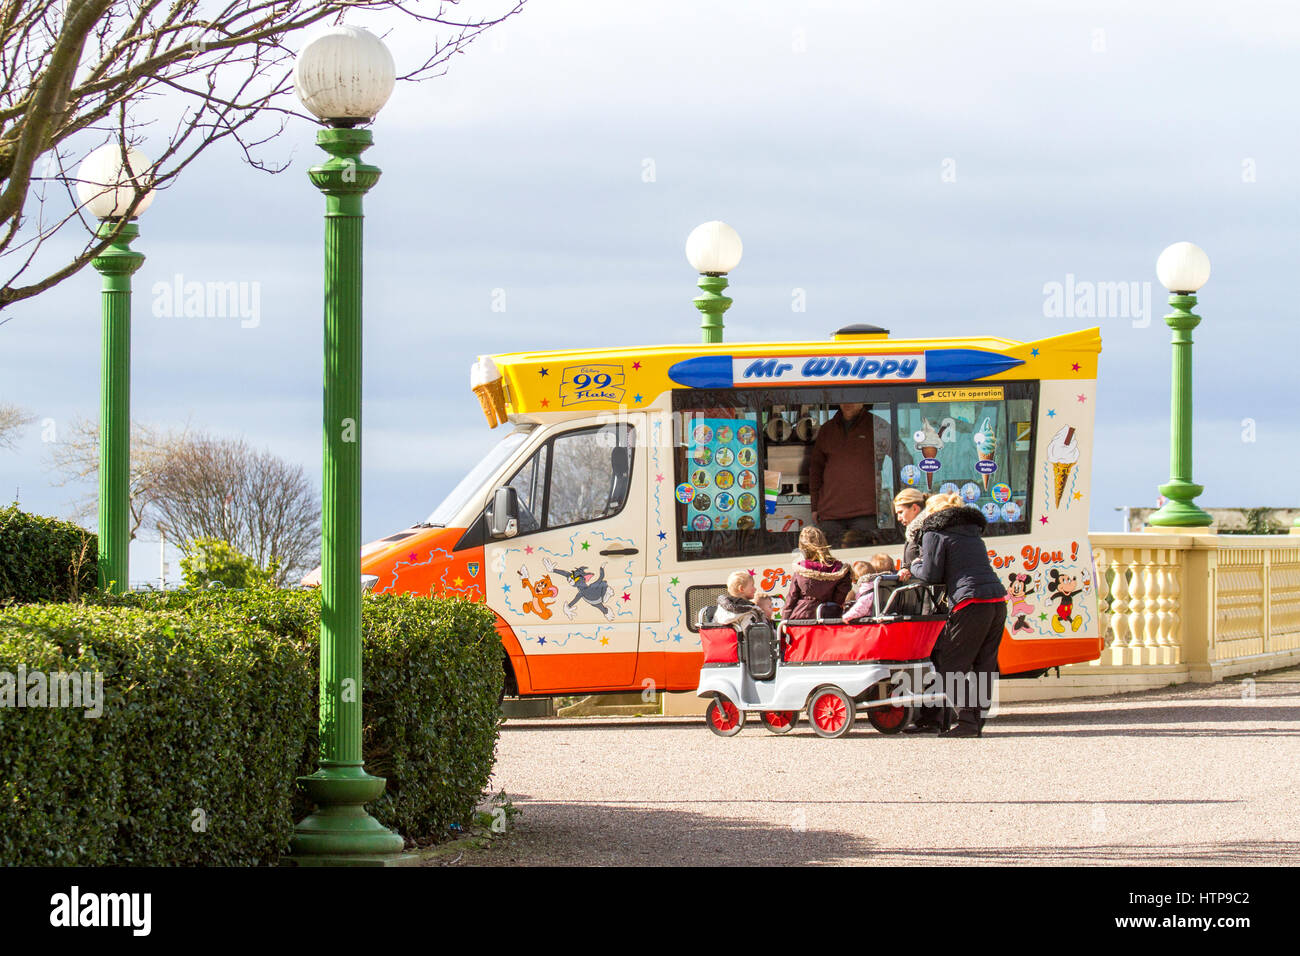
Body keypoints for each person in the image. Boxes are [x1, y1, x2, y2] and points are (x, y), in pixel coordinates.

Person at [904, 492, 1008, 737]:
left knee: (950, 664)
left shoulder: (934, 532)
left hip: (969, 602)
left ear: (931, 512)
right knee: (985, 665)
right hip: (996, 600)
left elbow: (930, 574)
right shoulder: (972, 532)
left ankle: (967, 723)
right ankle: (975, 723)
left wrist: (912, 566)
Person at [809, 403, 886, 547]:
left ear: (862, 401)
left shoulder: (877, 425)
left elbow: (902, 455)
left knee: (864, 562)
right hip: (830, 514)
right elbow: (815, 470)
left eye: (853, 398)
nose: (848, 403)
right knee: (830, 563)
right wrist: (814, 507)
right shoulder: (827, 429)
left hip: (865, 512)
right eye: (844, 398)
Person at [783, 526, 852, 620]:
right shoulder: (840, 570)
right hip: (830, 617)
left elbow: (791, 599)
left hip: (802, 618)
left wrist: (785, 621)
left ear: (802, 548)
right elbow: (839, 598)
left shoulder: (801, 569)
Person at [842, 553, 895, 622]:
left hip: (870, 621)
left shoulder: (868, 590)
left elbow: (861, 607)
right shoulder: (887, 585)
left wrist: (846, 617)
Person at [894, 488, 927, 583]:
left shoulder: (925, 530)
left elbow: (925, 559)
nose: (898, 518)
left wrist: (907, 569)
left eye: (901, 512)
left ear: (915, 508)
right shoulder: (913, 532)